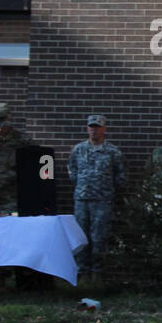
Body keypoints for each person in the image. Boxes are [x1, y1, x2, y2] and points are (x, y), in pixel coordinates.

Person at [68, 114, 126, 274]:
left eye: (98, 127)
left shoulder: (113, 151)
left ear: (104, 129)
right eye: (92, 127)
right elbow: (72, 170)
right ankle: (82, 273)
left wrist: (106, 189)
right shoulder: (79, 149)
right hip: (82, 200)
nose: (94, 130)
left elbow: (120, 175)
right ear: (87, 129)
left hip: (102, 201)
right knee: (80, 237)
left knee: (100, 237)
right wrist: (82, 185)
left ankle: (97, 273)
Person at [0, 103, 29, 216]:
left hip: (10, 196)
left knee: (11, 227)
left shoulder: (22, 141)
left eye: (1, 120)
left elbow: (36, 165)